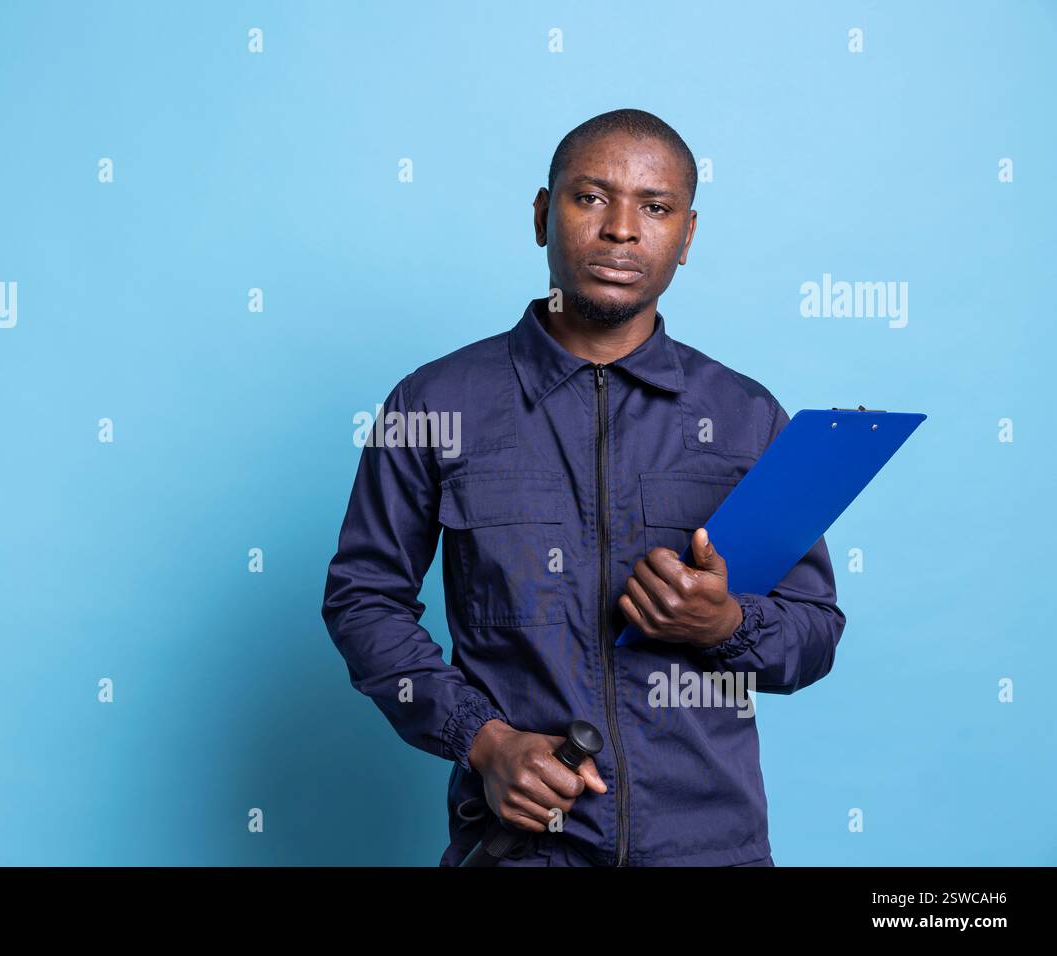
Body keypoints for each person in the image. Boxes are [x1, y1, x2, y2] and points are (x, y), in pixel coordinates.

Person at [321, 109, 845, 867]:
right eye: (590, 198)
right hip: (521, 852)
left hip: (714, 850)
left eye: (655, 207)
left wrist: (724, 622)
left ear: (687, 236)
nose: (621, 230)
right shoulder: (435, 403)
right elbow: (363, 598)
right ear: (543, 214)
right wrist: (482, 739)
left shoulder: (747, 417)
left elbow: (816, 632)